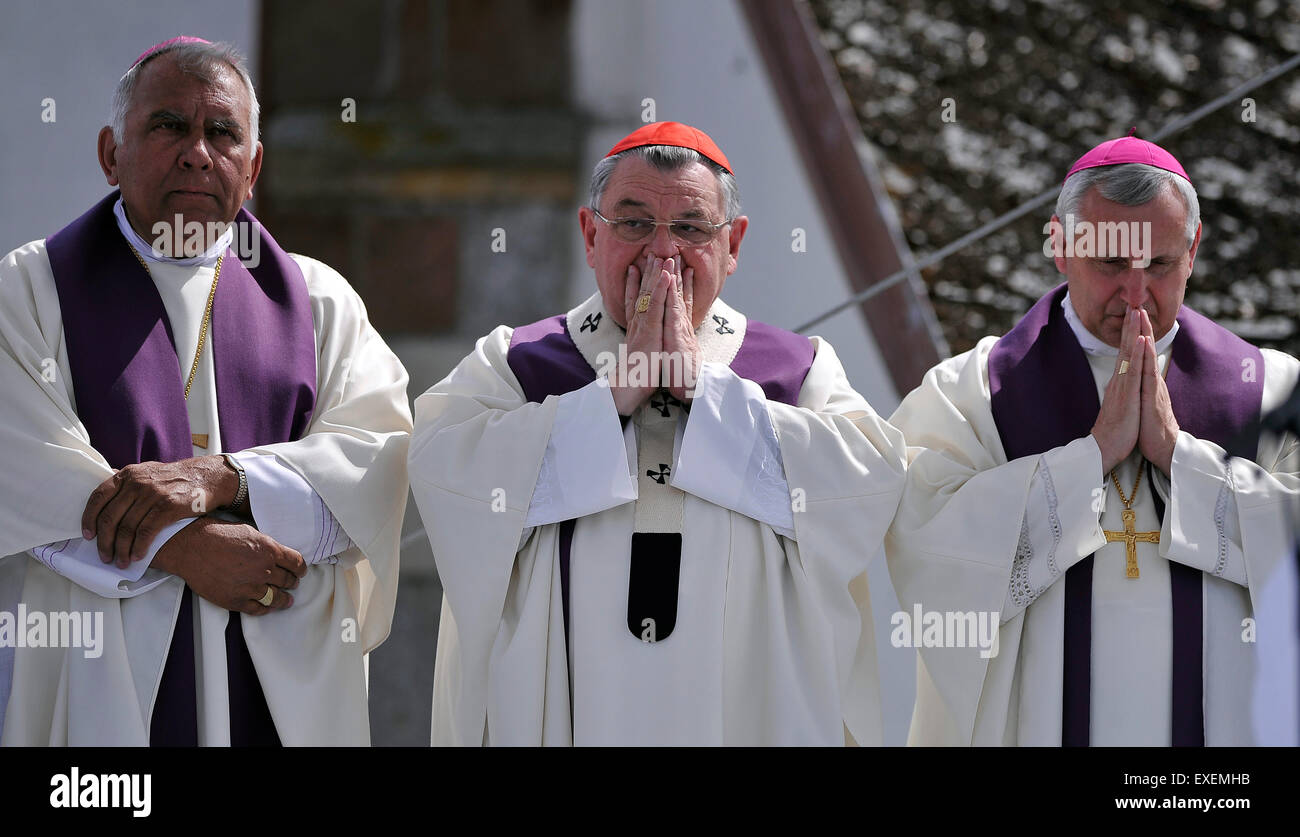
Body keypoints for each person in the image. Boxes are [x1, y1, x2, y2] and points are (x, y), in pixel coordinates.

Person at [408, 121, 907, 745]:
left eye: (692, 228)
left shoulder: (798, 371)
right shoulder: (517, 363)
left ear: (733, 245)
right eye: (635, 223)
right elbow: (440, 467)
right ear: (592, 235)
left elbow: (872, 483)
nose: (662, 253)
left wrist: (706, 390)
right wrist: (612, 396)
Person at [0, 37, 412, 745]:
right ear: (110, 154)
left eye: (222, 133)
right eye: (167, 125)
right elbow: (20, 464)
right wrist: (183, 546)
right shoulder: (30, 289)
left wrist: (226, 477)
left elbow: (379, 463)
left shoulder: (319, 303)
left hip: (276, 658)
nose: (197, 152)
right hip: (98, 668)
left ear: (252, 169)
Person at [885, 135, 1300, 745]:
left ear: (1193, 250)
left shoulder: (1272, 394)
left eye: (1158, 264)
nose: (1135, 294)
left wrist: (1182, 460)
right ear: (1060, 244)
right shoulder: (968, 396)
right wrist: (1090, 460)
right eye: (1110, 263)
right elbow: (926, 552)